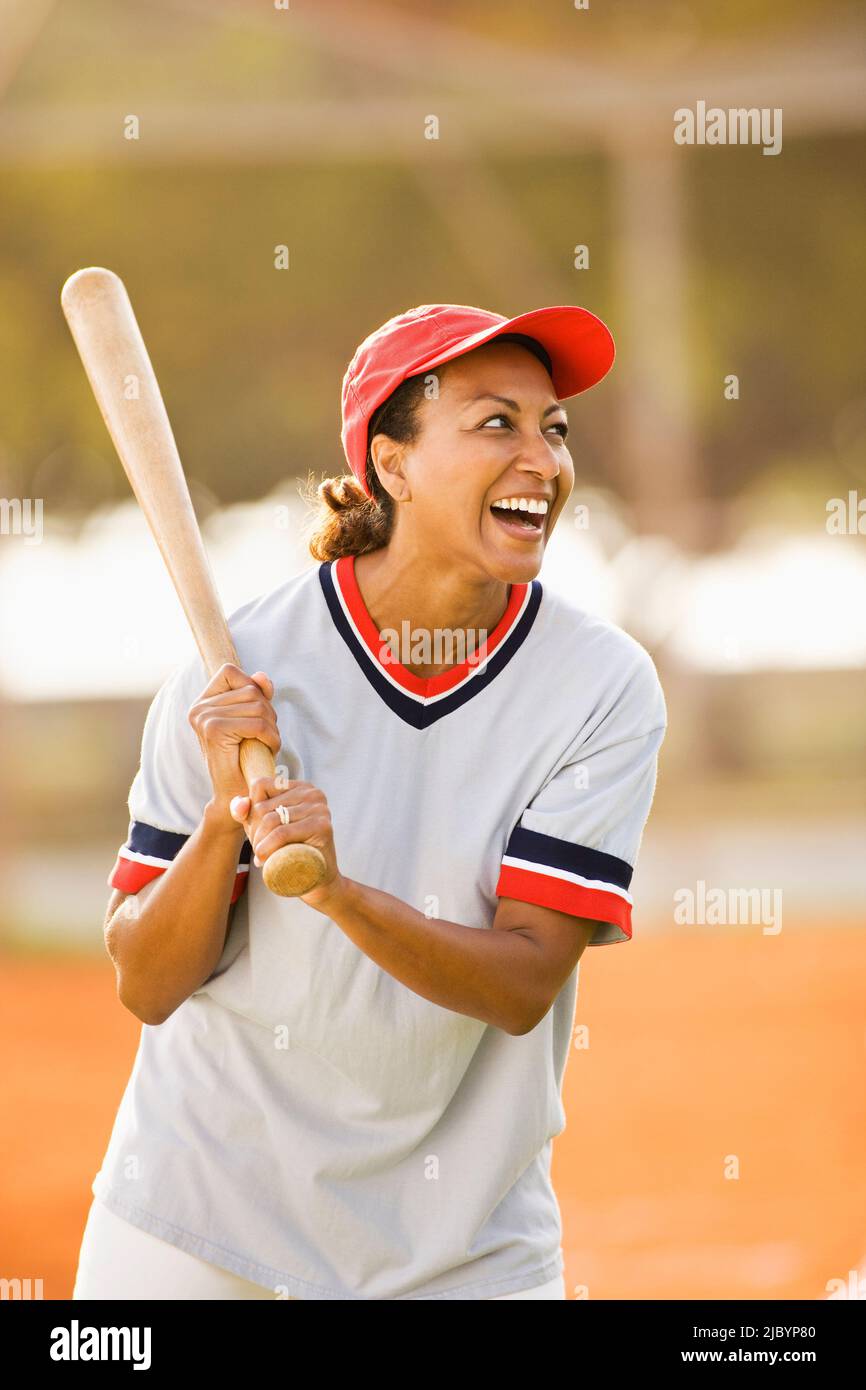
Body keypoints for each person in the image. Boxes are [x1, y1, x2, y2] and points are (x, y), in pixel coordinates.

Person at [72, 302, 667, 1301]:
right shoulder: (235, 675)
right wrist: (227, 821)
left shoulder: (598, 685)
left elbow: (522, 982)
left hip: (459, 1245)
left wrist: (334, 890)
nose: (541, 458)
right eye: (494, 423)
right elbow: (145, 982)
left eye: (551, 428)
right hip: (200, 1214)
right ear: (390, 462)